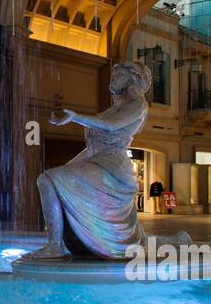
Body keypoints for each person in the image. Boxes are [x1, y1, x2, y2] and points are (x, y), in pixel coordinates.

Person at [23, 61, 152, 260]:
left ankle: (54, 246)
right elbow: (92, 149)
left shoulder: (137, 105)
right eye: (113, 74)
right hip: (98, 163)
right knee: (49, 180)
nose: (113, 77)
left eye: (119, 75)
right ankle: (55, 244)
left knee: (46, 179)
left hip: (112, 170)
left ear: (132, 81)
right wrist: (67, 168)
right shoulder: (111, 110)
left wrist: (75, 117)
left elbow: (110, 126)